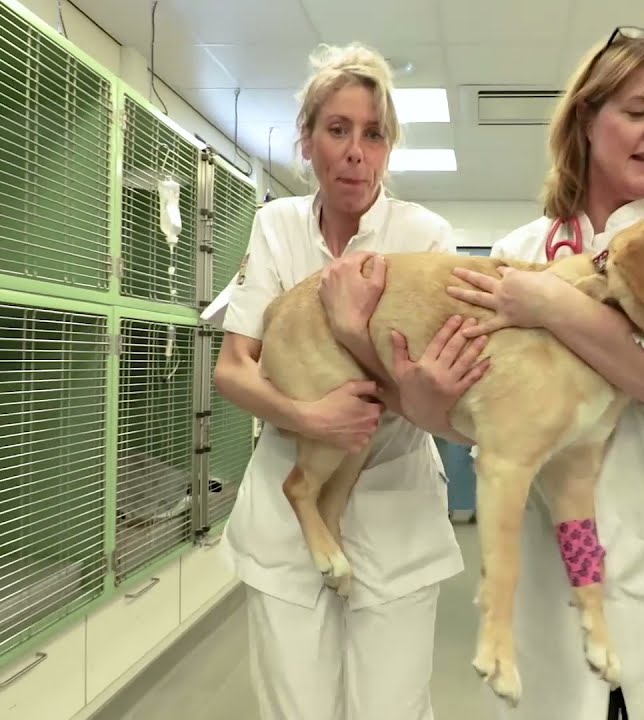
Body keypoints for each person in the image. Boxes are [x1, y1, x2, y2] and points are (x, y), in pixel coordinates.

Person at [444, 27, 644, 720]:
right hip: (559, 581)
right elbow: (468, 405)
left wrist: (556, 308)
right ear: (586, 118)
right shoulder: (521, 252)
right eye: (637, 111)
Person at [210, 42, 488, 720]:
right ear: (307, 140)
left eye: (373, 133)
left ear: (388, 146)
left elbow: (433, 405)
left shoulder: (423, 236)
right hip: (285, 512)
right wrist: (308, 418)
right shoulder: (277, 225)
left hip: (396, 507)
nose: (356, 151)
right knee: (293, 708)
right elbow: (231, 367)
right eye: (337, 130)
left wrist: (351, 331)